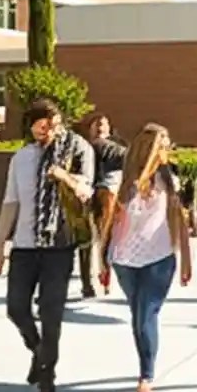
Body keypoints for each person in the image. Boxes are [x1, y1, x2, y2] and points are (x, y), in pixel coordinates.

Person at [0, 98, 95, 392]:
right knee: (16, 309)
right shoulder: (22, 157)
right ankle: (38, 351)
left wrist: (64, 176)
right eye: (39, 127)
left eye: (51, 126)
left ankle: (47, 373)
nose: (45, 132)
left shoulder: (78, 150)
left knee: (51, 312)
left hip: (59, 246)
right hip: (24, 245)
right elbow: (11, 202)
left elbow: (86, 191)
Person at [98, 123, 192, 392]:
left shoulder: (168, 178)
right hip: (125, 261)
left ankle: (145, 379)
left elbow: (180, 220)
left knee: (146, 315)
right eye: (163, 145)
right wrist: (102, 261)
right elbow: (109, 224)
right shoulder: (123, 181)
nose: (168, 150)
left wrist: (186, 258)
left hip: (159, 258)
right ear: (150, 149)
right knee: (137, 316)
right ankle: (145, 369)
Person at [81, 113, 127, 298]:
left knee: (91, 239)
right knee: (101, 238)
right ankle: (98, 277)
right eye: (97, 124)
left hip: (98, 192)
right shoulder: (89, 146)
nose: (100, 126)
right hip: (98, 192)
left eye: (104, 124)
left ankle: (93, 280)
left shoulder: (108, 147)